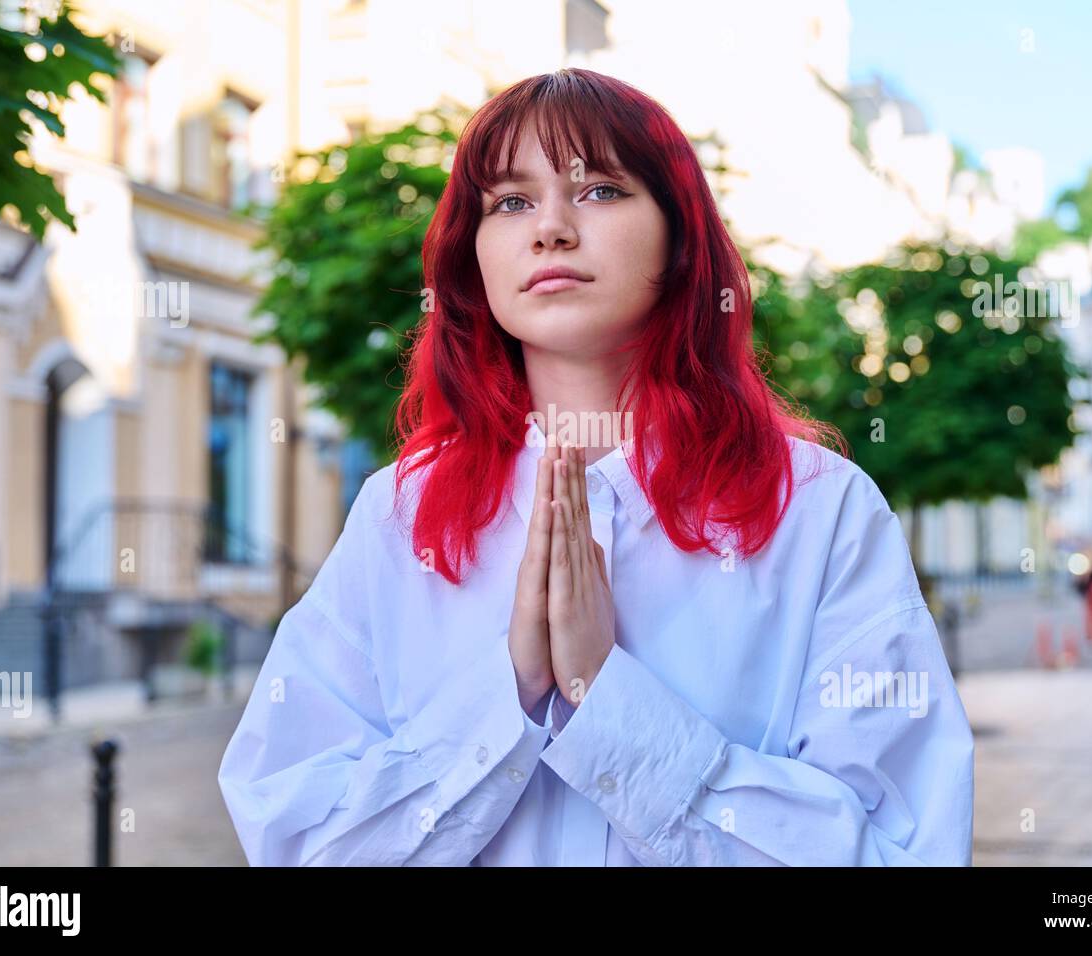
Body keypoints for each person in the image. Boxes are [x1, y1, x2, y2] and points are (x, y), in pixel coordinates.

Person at [217, 68, 975, 866]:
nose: (549, 228)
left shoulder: (820, 511)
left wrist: (607, 705)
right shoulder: (399, 514)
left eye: (601, 190)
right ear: (472, 259)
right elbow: (294, 832)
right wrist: (506, 696)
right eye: (510, 202)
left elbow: (905, 848)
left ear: (681, 239)